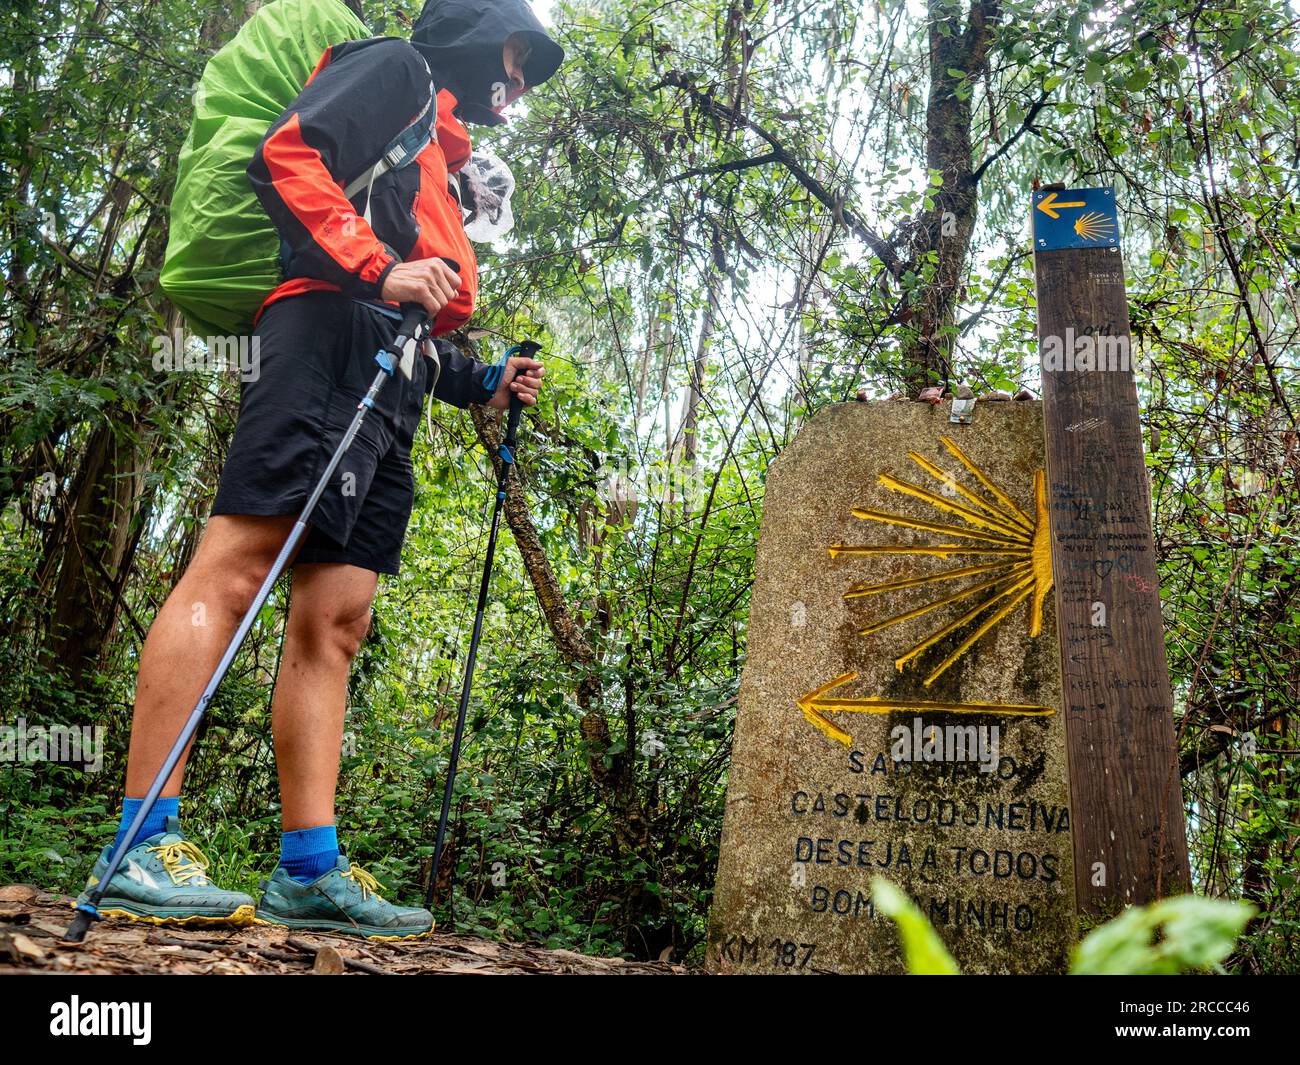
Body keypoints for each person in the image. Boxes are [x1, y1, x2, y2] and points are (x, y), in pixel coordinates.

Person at [75, 0, 564, 940]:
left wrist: (482, 380)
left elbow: (418, 302)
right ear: (473, 27)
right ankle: (138, 844)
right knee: (239, 561)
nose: (517, 79)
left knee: (337, 617)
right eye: (515, 52)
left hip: (391, 378)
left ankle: (309, 868)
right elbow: (288, 156)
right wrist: (375, 265)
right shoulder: (399, 71)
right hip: (321, 339)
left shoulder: (443, 156)